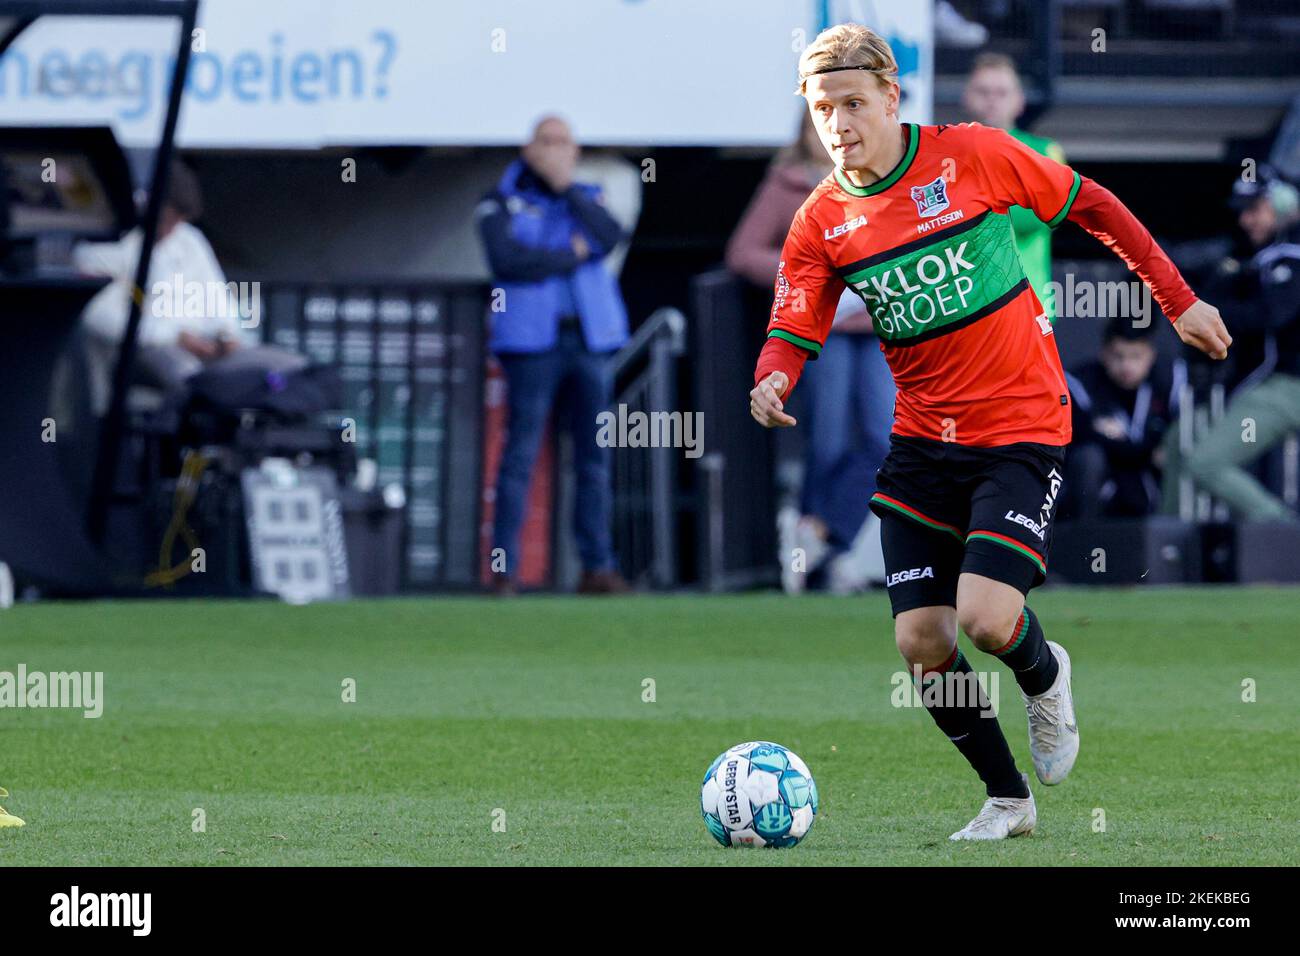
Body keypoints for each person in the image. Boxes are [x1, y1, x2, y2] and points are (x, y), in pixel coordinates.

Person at [748, 23, 1232, 840]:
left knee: (983, 617)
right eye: (823, 107)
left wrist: (1178, 300)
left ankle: (1046, 677)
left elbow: (1097, 206)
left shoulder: (969, 154)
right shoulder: (821, 219)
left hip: (1020, 426)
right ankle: (1008, 801)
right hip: (922, 444)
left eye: (854, 104)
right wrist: (773, 375)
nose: (838, 124)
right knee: (921, 640)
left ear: (893, 97)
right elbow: (796, 318)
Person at [726, 113, 895, 594]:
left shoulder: (879, 182)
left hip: (876, 324)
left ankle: (818, 535)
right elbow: (742, 252)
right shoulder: (787, 184)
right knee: (828, 442)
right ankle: (817, 555)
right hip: (825, 330)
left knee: (886, 440)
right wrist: (805, 273)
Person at [476, 116, 631, 595]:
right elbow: (509, 261)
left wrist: (568, 190)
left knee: (594, 457)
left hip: (587, 339)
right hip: (531, 343)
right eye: (547, 143)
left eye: (565, 144)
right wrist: (571, 253)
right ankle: (505, 571)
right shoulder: (499, 198)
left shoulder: (586, 195)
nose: (556, 152)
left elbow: (608, 236)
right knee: (520, 454)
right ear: (528, 148)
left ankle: (597, 567)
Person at [1163, 168, 1300, 522]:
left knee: (1206, 462)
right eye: (1242, 211)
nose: (1246, 220)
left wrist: (1208, 310)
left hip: (1286, 386)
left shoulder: (1289, 256)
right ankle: (1172, 552)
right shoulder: (1254, 256)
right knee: (1184, 442)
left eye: (1255, 209)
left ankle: (1283, 532)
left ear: (1283, 205)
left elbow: (1272, 314)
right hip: (1255, 388)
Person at [74, 161, 262, 414]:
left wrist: (226, 334)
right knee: (191, 377)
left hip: (200, 349)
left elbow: (216, 297)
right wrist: (175, 336)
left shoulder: (189, 240)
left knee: (267, 370)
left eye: (178, 222)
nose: (171, 230)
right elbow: (101, 318)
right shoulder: (105, 246)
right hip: (134, 354)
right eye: (168, 220)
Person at [962, 52, 1065, 323]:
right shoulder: (944, 152)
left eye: (1001, 92)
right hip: (963, 311)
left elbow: (1037, 217)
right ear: (966, 97)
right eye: (983, 91)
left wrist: (968, 204)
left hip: (1028, 307)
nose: (992, 100)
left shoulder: (1045, 151)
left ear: (1019, 101)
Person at [1062, 317, 1181, 519]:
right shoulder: (1082, 384)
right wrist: (1144, 451)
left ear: (1151, 356)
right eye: (1119, 356)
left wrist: (1118, 442)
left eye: (1136, 357)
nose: (1127, 366)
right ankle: (1085, 539)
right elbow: (1079, 438)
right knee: (1090, 457)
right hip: (1100, 491)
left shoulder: (1168, 383)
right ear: (1104, 354)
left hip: (1150, 488)